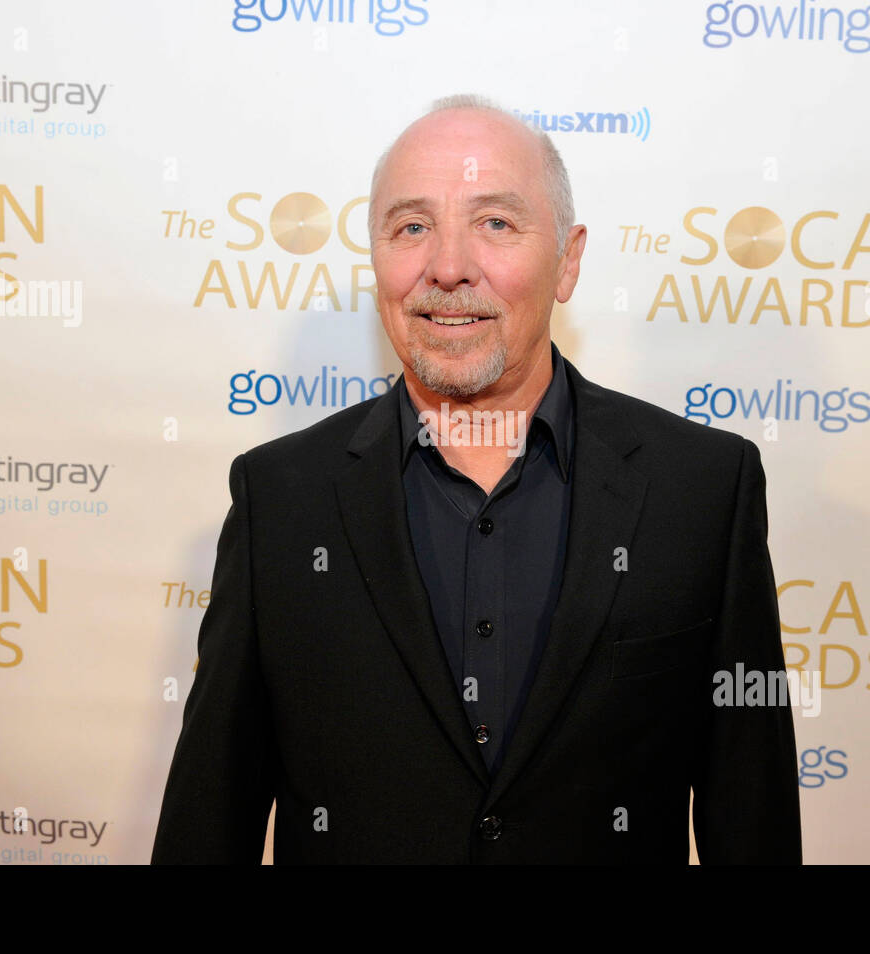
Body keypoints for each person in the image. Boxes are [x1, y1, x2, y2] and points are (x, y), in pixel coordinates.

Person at [152, 94, 801, 864]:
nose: (449, 268)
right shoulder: (280, 501)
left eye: (495, 223)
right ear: (374, 256)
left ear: (568, 258)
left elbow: (751, 817)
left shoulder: (702, 489)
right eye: (412, 227)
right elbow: (207, 820)